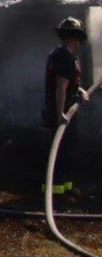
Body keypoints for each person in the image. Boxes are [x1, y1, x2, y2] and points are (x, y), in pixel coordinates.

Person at [43, 16, 91, 195]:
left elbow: (70, 84)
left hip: (67, 108)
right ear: (72, 37)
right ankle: (55, 190)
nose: (79, 42)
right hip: (62, 109)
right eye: (78, 37)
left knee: (68, 148)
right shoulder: (63, 56)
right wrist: (60, 114)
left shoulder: (66, 56)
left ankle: (66, 187)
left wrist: (81, 91)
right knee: (60, 151)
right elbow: (60, 87)